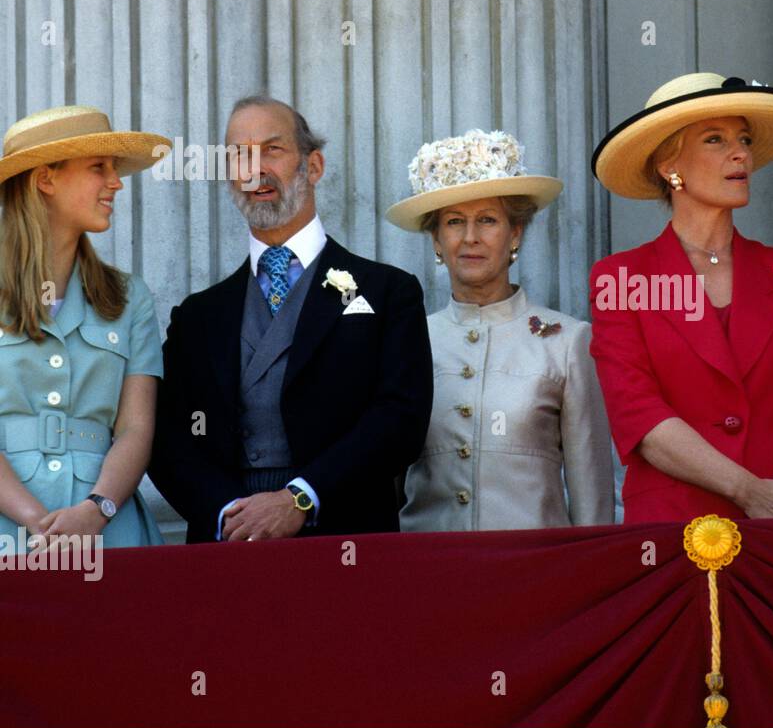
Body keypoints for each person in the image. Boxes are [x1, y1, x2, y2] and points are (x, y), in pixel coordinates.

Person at [149, 96, 432, 542]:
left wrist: (302, 497)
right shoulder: (197, 317)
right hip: (229, 545)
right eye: (239, 154)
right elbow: (165, 439)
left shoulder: (388, 292)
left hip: (346, 542)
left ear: (313, 166)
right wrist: (226, 513)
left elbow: (400, 420)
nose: (255, 169)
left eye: (272, 150)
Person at [588, 73, 773, 523]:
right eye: (715, 139)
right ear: (670, 167)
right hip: (674, 532)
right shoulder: (621, 279)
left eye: (743, 138)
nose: (740, 152)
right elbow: (639, 414)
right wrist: (748, 492)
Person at [386, 129, 614, 530]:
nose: (470, 238)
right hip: (427, 572)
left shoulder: (566, 342)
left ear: (516, 233)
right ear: (436, 240)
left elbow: (592, 500)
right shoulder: (405, 341)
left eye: (488, 220)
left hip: (535, 575)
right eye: (455, 222)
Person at [0, 105, 170, 548]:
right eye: (99, 168)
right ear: (46, 179)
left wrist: (97, 510)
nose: (115, 183)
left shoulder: (130, 297)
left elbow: (136, 429)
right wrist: (39, 523)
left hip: (111, 534)